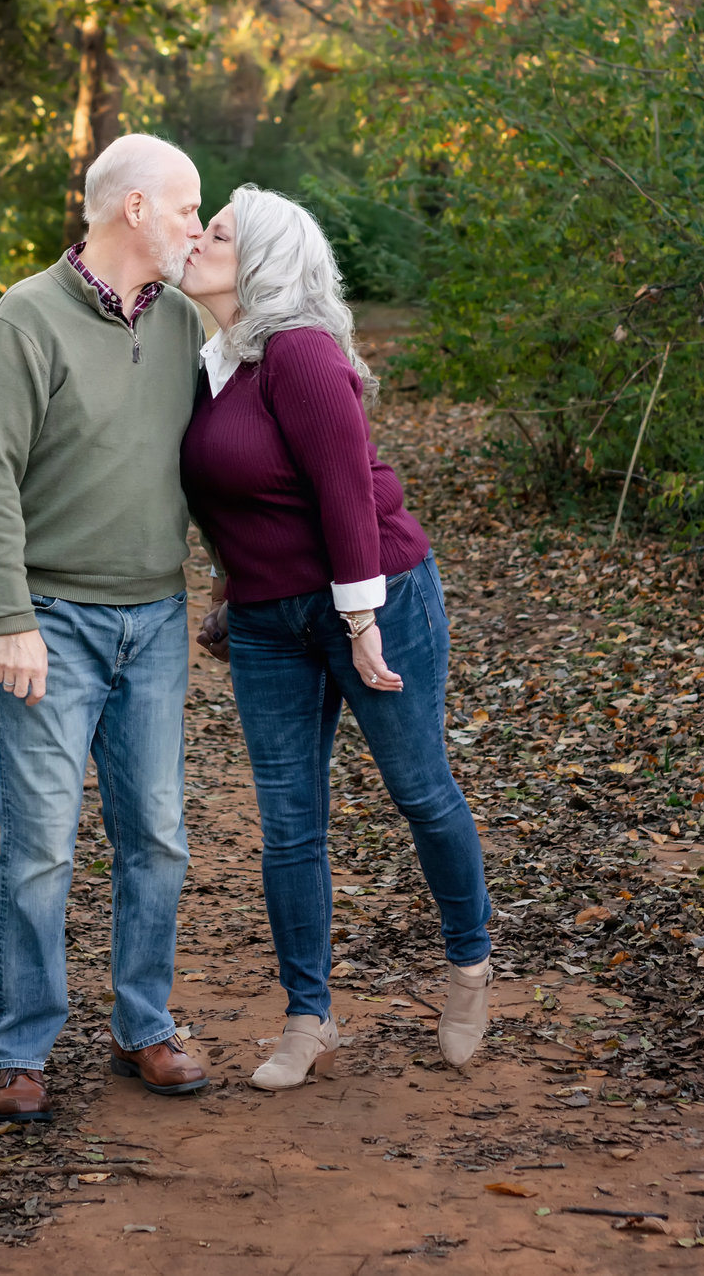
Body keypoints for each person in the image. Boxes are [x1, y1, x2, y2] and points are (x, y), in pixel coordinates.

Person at [179, 185, 494, 1090]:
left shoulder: (301, 354)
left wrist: (360, 626)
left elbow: (346, 495)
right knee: (288, 826)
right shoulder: (211, 363)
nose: (199, 240)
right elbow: (238, 498)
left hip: (377, 594)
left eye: (220, 232)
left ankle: (469, 965)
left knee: (418, 789)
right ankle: (308, 1018)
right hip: (272, 620)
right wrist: (231, 588)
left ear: (266, 260)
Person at [0, 134, 212, 1123]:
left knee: (155, 831)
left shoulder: (187, 320)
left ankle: (143, 1024)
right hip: (51, 619)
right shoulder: (25, 318)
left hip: (154, 614)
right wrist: (10, 615)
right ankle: (19, 1045)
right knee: (41, 842)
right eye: (187, 206)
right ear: (136, 208)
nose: (197, 223)